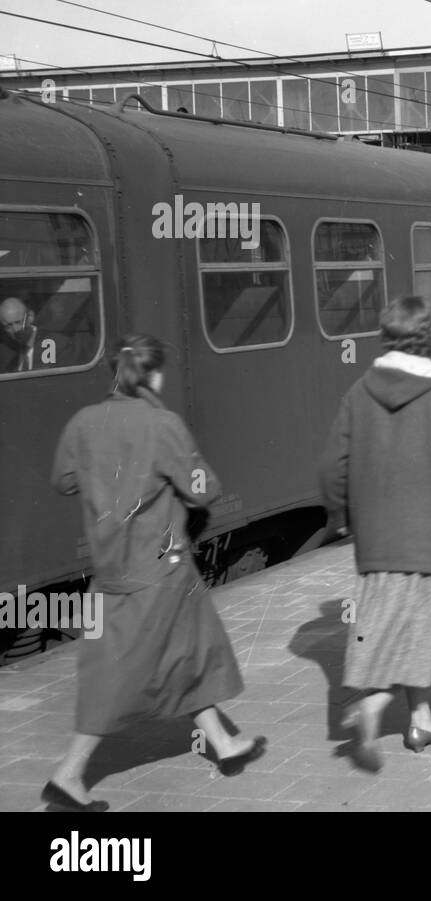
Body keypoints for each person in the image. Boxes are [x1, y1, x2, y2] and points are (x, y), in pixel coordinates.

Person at [44, 334, 265, 812]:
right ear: (155, 375)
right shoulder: (162, 424)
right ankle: (69, 775)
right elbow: (204, 488)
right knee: (121, 675)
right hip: (159, 568)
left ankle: (223, 743)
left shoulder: (85, 421)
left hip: (111, 567)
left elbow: (63, 480)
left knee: (191, 651)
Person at [319, 297, 431, 774]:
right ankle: (370, 712)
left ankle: (419, 721)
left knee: (398, 631)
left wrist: (340, 516)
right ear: (430, 337)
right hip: (429, 540)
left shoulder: (359, 392)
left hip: (376, 543)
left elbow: (331, 467)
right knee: (418, 634)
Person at [0, 296, 74, 373]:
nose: (15, 329)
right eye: (8, 326)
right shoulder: (4, 353)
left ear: (30, 317)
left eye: (18, 322)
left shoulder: (59, 344)